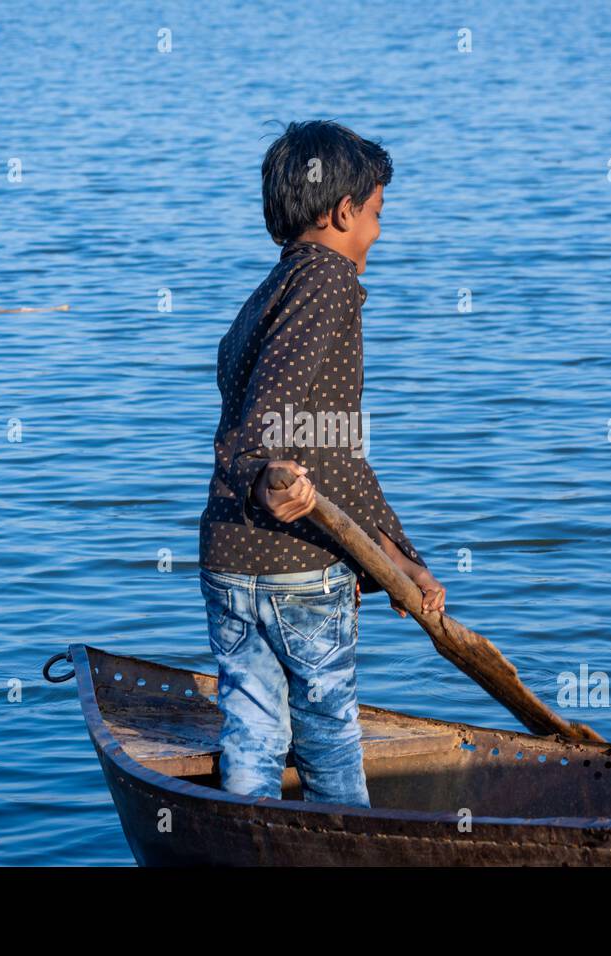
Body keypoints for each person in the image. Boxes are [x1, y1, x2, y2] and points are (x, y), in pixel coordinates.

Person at [197, 120, 445, 808]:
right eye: (375, 214)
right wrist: (401, 561)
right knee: (330, 733)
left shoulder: (266, 295)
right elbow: (305, 443)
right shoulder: (330, 283)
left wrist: (394, 559)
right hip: (296, 565)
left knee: (251, 732)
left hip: (227, 555)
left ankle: (240, 841)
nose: (377, 233)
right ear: (342, 212)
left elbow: (313, 442)